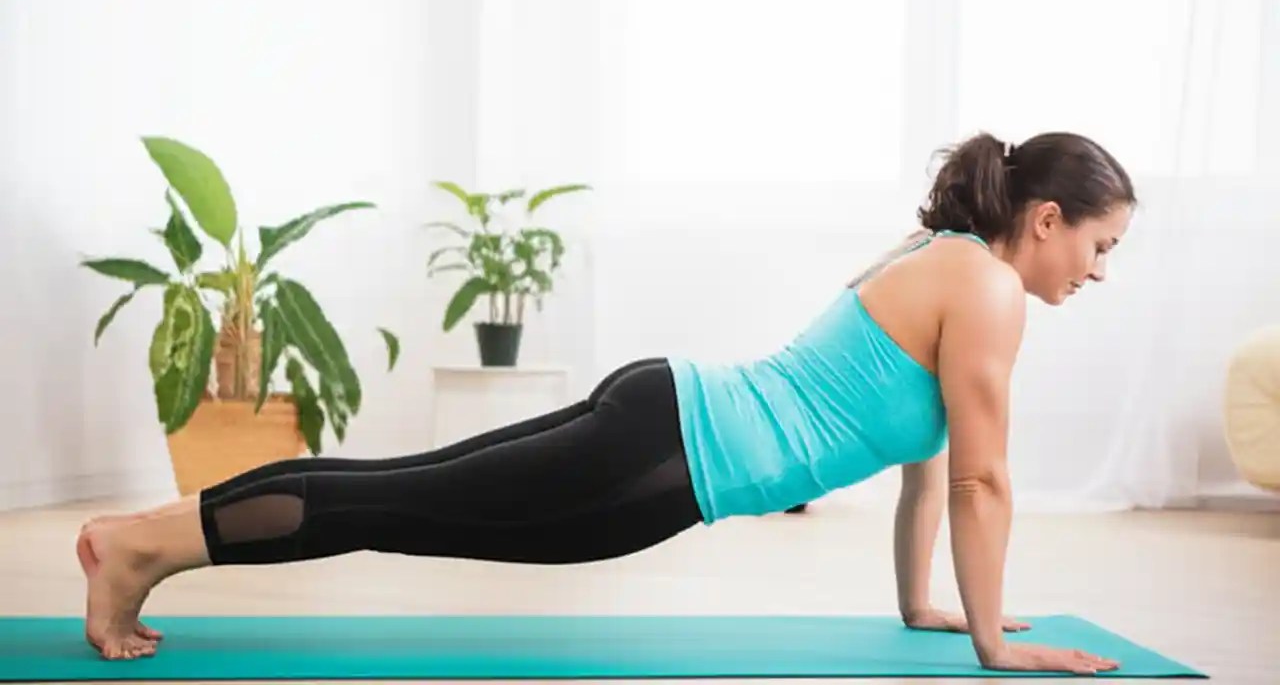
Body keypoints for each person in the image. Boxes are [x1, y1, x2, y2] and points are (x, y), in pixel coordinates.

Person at [77, 131, 1134, 675]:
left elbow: (924, 467)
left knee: (400, 494)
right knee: (394, 506)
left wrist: (927, 609)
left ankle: (146, 540)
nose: (1096, 271)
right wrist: (995, 644)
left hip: (660, 414)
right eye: (1097, 247)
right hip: (660, 461)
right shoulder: (988, 291)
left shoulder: (945, 261)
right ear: (1043, 220)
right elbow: (978, 479)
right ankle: (142, 549)